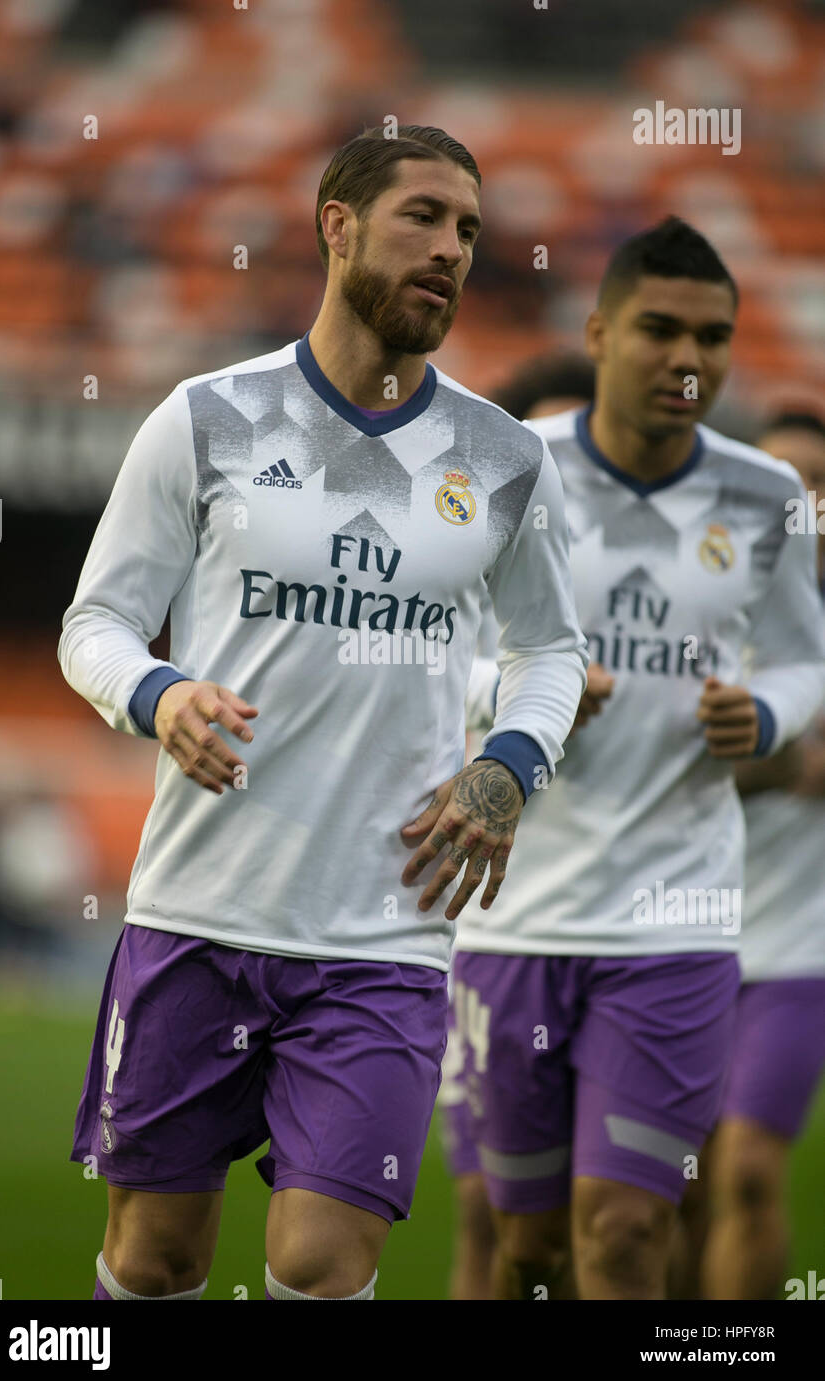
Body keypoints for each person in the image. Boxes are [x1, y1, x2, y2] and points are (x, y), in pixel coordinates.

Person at [57, 124, 588, 1303]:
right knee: (154, 1263)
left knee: (319, 1261)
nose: (451, 247)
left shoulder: (499, 460)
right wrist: (159, 691)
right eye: (422, 217)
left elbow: (551, 647)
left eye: (467, 228)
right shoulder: (208, 418)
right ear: (334, 224)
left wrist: (505, 766)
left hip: (381, 940)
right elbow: (91, 624)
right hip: (198, 912)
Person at [449, 217, 825, 1300]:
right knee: (525, 1247)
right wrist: (530, 693)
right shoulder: (511, 470)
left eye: (712, 337)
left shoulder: (760, 496)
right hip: (515, 919)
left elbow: (805, 662)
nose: (687, 359)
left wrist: (761, 713)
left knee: (622, 1233)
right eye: (658, 330)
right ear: (600, 331)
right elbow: (444, 657)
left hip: (675, 923)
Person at [438, 351, 595, 1301]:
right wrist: (526, 700)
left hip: (631, 932)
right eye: (547, 446)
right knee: (495, 1218)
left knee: (621, 1219)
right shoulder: (464, 557)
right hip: (492, 936)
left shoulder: (624, 582)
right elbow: (418, 666)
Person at [676, 410, 825, 1300]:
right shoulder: (699, 615)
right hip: (676, 944)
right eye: (783, 477)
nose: (802, 499)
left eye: (817, 481)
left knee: (747, 1175)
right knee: (671, 1190)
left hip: (797, 950)